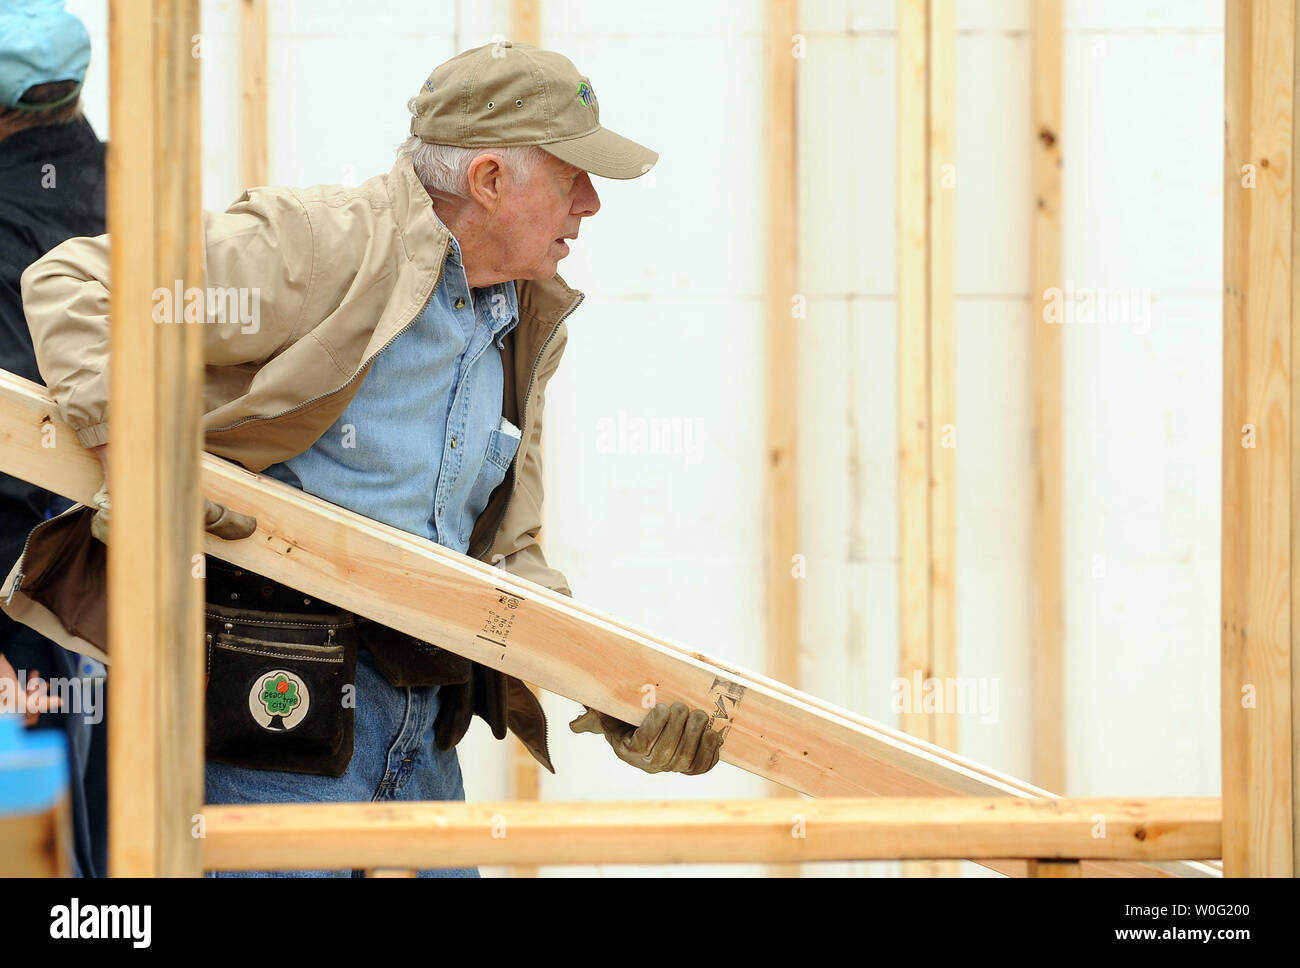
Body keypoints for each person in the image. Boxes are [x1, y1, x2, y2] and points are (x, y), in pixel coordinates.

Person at [5, 40, 722, 877]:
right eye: (572, 177)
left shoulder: (515, 318)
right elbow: (76, 281)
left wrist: (619, 696)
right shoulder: (321, 244)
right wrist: (144, 466)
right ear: (489, 181)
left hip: (420, 726)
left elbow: (505, 558)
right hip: (267, 721)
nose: (591, 203)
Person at [0, 0, 107, 878]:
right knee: (117, 824)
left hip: (12, 569)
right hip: (120, 561)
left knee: (22, 828)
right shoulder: (134, 188)